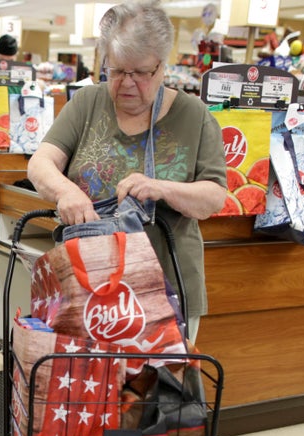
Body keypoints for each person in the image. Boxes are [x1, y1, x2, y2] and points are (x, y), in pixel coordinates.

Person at [25, 0, 227, 342]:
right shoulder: (87, 103)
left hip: (168, 291)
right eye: (117, 71)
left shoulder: (195, 116)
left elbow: (213, 197)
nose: (127, 83)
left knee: (155, 392)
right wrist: (66, 191)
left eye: (140, 73)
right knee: (83, 387)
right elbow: (40, 163)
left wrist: (162, 188)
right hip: (87, 286)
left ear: (163, 67)